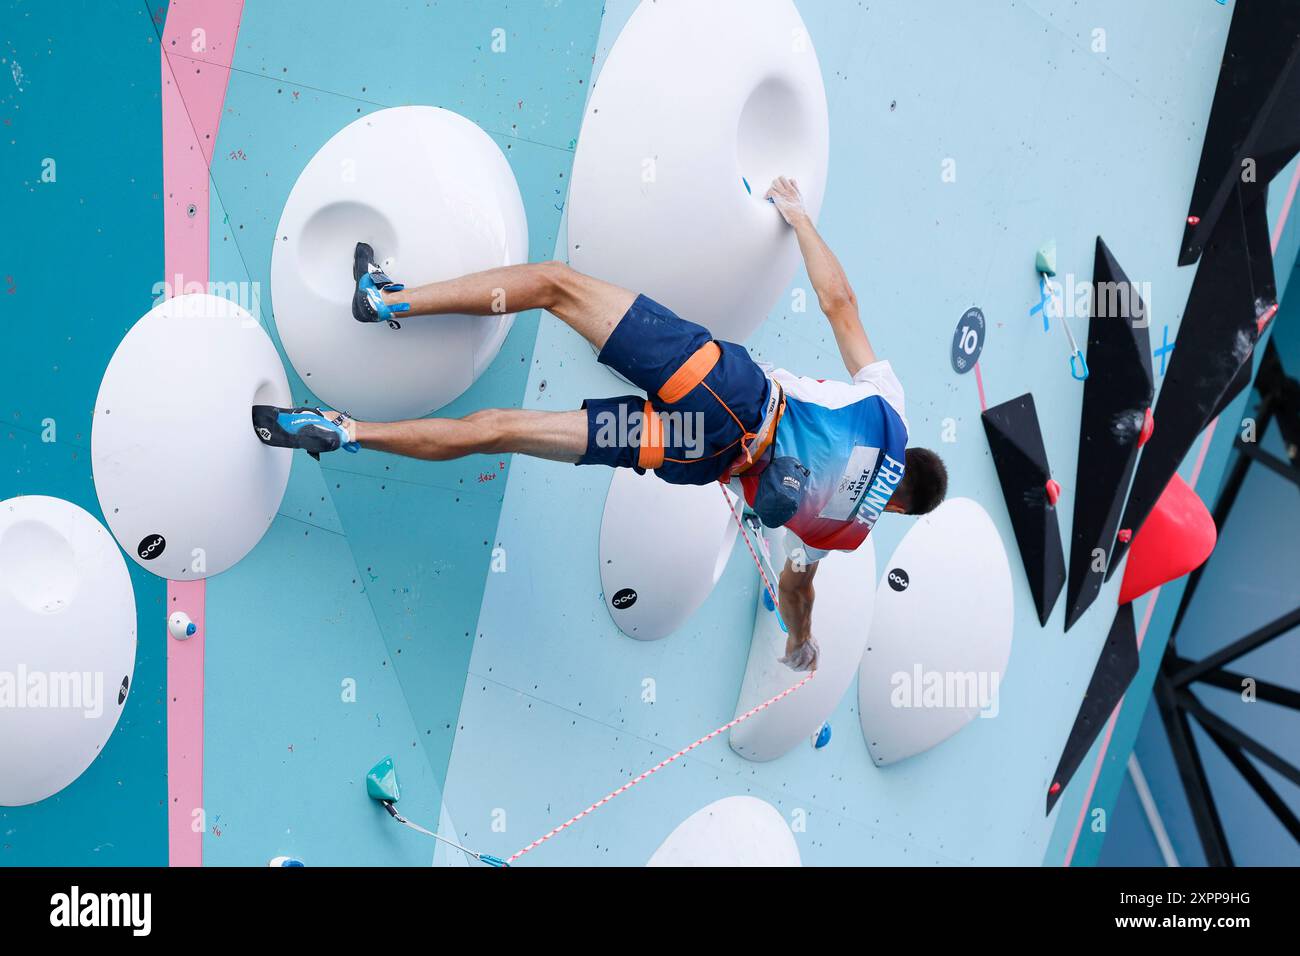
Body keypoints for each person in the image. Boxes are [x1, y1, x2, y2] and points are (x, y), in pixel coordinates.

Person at [255, 177, 948, 671]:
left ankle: (384, 299)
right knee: (504, 429)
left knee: (556, 286)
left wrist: (798, 216)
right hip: (692, 455)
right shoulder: (848, 534)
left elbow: (841, 305)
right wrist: (800, 644)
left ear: (909, 455)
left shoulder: (888, 410)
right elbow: (797, 592)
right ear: (898, 506)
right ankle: (347, 430)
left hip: (729, 392)